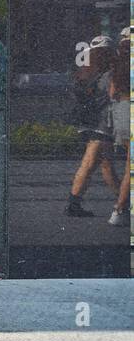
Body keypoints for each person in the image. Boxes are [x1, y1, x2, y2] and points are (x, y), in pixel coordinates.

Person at [66, 35, 118, 217]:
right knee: (94, 164)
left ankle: (75, 204)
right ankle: (123, 205)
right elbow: (113, 95)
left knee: (102, 164)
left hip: (87, 120)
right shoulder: (109, 72)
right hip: (102, 122)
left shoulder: (86, 70)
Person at [107, 37, 130, 226]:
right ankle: (119, 209)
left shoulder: (118, 68)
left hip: (121, 111)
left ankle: (119, 210)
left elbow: (112, 93)